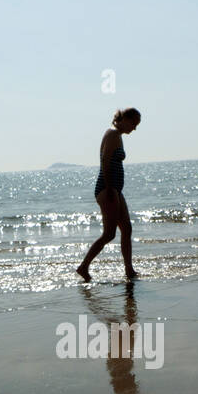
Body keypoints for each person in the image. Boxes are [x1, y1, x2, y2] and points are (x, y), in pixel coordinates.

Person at [77, 108, 141, 281]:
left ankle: (129, 269)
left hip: (114, 189)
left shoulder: (117, 135)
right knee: (109, 234)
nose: (134, 128)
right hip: (108, 189)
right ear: (125, 119)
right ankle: (83, 267)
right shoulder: (112, 134)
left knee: (126, 228)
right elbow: (105, 160)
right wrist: (110, 187)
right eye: (134, 123)